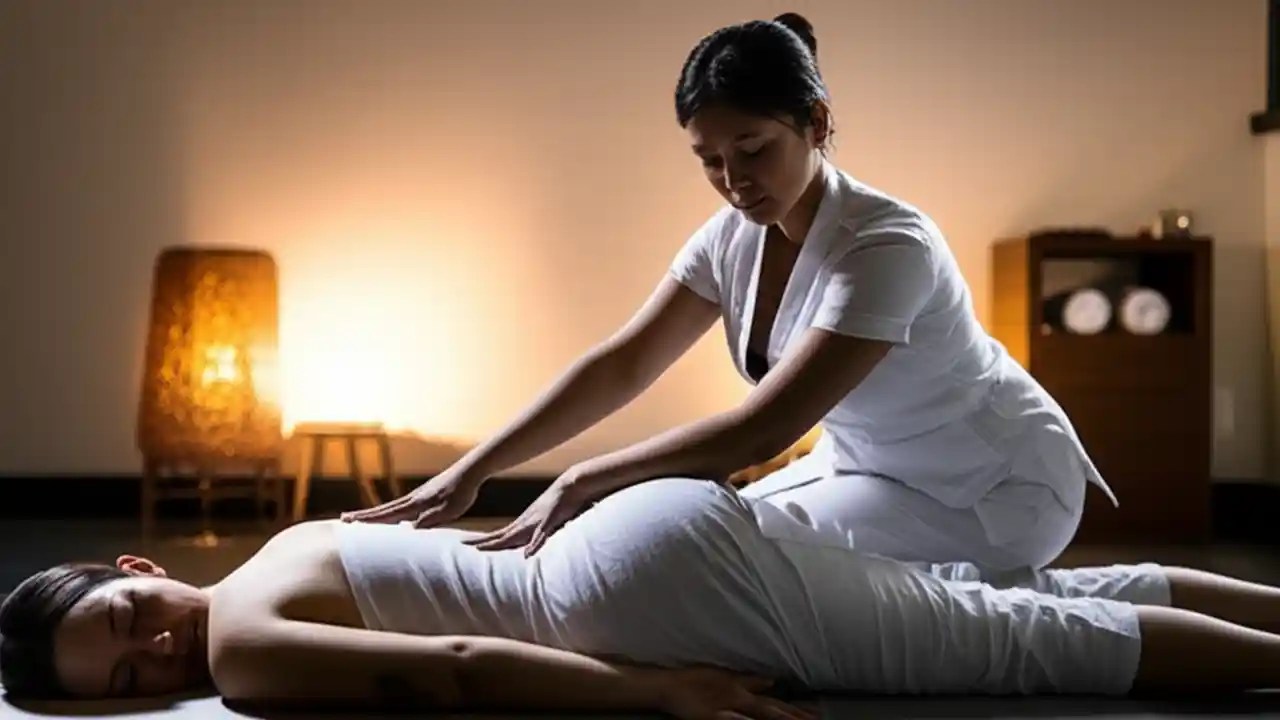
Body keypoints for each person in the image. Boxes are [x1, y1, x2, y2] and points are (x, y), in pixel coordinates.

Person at [342, 13, 1115, 573]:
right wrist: (474, 468)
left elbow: (761, 430)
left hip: (991, 489)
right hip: (870, 468)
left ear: (817, 123)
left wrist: (579, 480)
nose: (733, 180)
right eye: (709, 159)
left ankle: (1098, 606)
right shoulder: (732, 236)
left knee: (716, 556)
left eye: (753, 149)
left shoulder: (888, 246)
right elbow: (625, 364)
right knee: (681, 533)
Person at [5, 477, 1280, 714]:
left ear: (137, 569)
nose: (158, 654)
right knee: (1013, 592)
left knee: (1013, 639)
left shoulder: (245, 648)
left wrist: (658, 695)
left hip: (636, 590)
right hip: (643, 531)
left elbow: (458, 669)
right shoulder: (285, 547)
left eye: (130, 623)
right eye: (125, 680)